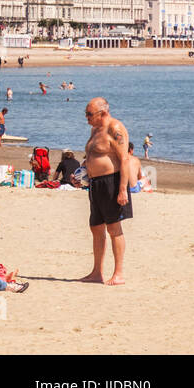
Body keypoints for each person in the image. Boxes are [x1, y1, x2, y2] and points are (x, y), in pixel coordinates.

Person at [81, 97, 131, 286]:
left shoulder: (115, 128)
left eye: (89, 114)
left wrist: (122, 190)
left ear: (102, 113)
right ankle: (97, 272)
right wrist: (83, 170)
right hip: (95, 183)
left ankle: (118, 273)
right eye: (86, 114)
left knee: (113, 228)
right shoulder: (95, 129)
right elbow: (94, 154)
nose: (86, 118)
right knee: (96, 227)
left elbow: (124, 159)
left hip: (112, 182)